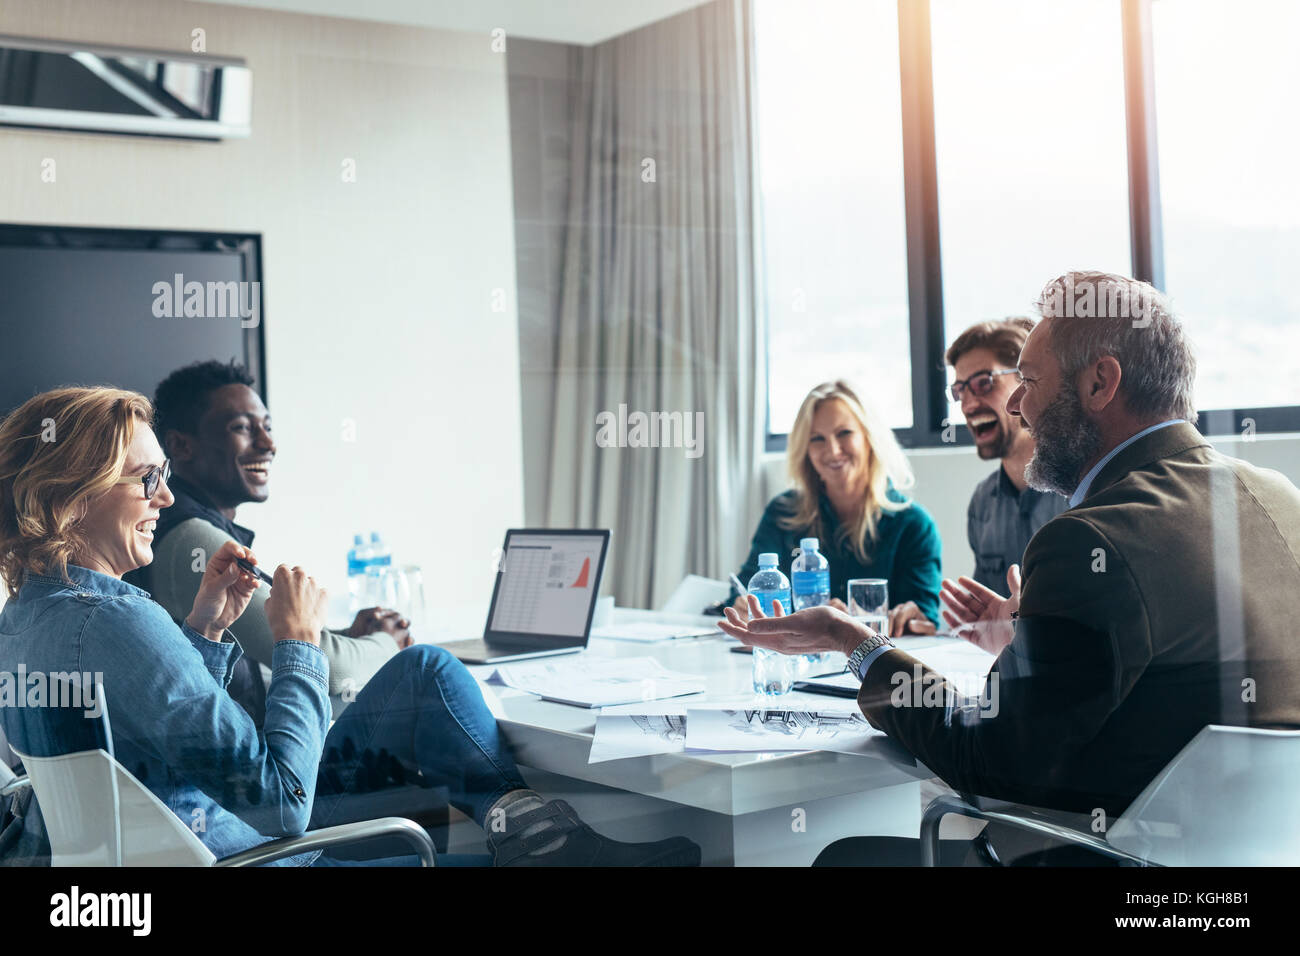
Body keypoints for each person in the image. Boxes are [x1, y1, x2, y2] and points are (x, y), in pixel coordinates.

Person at [719, 272, 1300, 865]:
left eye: (1028, 381)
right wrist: (1028, 641)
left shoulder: (1088, 539)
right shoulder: (1282, 497)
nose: (1018, 404)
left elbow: (984, 762)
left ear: (1100, 382)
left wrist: (856, 642)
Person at [0, 386, 700, 866]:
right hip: (262, 849)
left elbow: (155, 751)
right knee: (430, 692)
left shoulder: (29, 616)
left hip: (189, 838)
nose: (167, 496)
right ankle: (541, 843)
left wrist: (206, 632)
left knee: (423, 671)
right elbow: (282, 807)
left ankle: (539, 835)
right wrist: (302, 641)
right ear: (72, 492)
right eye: (145, 478)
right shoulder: (119, 621)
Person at [124, 360, 408, 722]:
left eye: (268, 427)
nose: (268, 443)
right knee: (429, 667)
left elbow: (288, 643)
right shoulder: (189, 541)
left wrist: (346, 634)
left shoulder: (195, 528)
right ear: (181, 445)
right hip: (254, 767)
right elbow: (332, 669)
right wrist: (388, 641)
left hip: (249, 748)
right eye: (242, 428)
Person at [730, 380, 941, 636]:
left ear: (869, 438)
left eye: (844, 434)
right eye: (817, 439)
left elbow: (925, 616)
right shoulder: (782, 514)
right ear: (805, 450)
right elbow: (743, 588)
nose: (832, 450)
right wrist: (743, 605)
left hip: (878, 668)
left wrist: (912, 617)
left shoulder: (913, 525)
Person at [946, 317, 1066, 596]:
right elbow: (987, 614)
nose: (968, 404)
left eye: (983, 383)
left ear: (1028, 382)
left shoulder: (1081, 491)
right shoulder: (982, 502)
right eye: (960, 390)